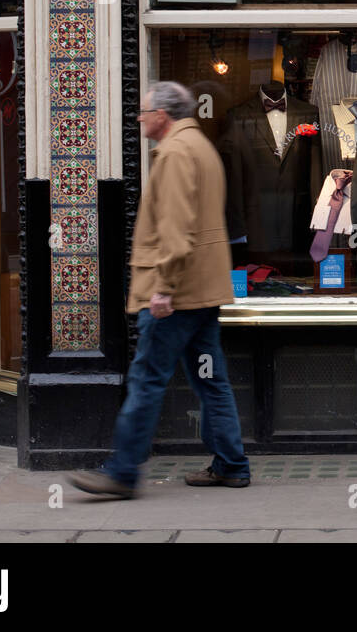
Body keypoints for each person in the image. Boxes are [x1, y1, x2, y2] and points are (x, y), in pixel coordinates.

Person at [70, 81, 251, 498]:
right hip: (204, 289)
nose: (139, 118)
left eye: (143, 111)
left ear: (162, 116)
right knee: (210, 379)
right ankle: (231, 464)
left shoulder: (173, 153)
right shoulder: (201, 146)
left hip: (177, 294)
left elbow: (175, 227)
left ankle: (121, 472)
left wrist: (164, 289)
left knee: (147, 379)